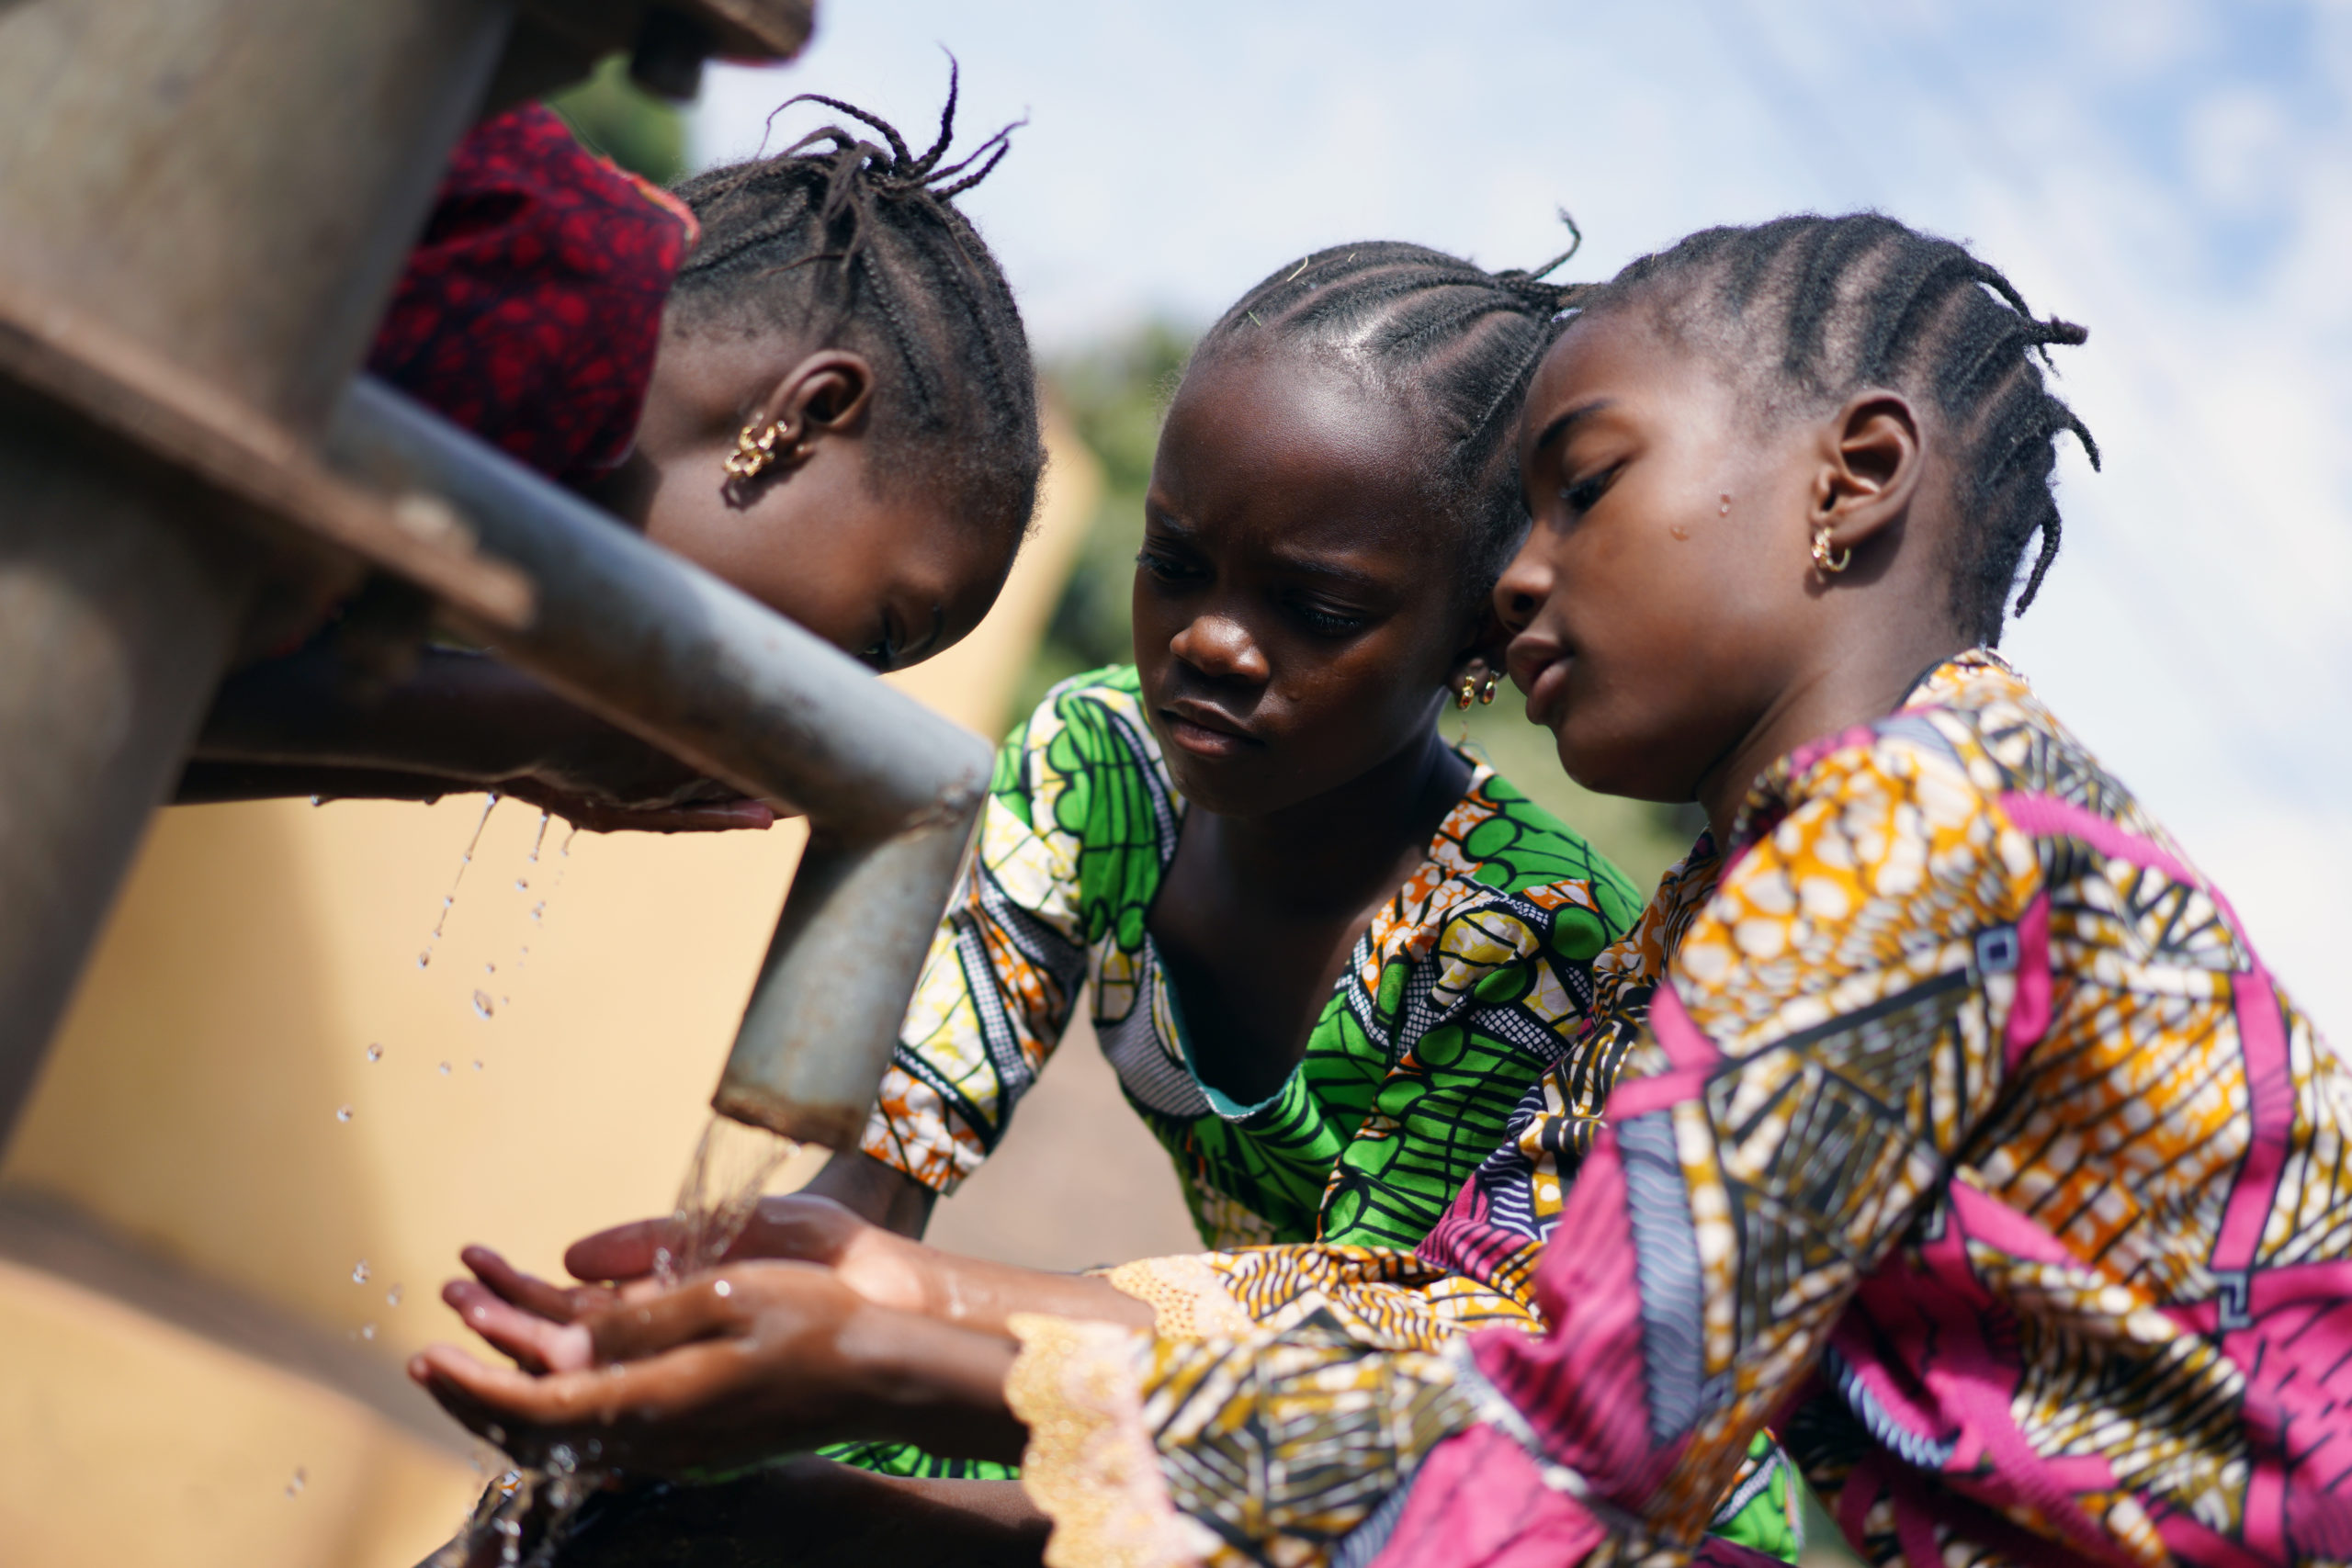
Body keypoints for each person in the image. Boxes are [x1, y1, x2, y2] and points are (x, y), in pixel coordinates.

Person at [414, 212, 2350, 1568]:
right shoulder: (1753, 897)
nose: (1521, 575)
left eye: (1580, 487)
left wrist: (926, 1364)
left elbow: (1575, 1459)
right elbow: (1454, 1310)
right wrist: (896, 1287)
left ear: (1849, 479)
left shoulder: (1912, 831)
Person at [429, 240, 1803, 1562]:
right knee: (611, 1486)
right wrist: (708, 1349)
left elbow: (1345, 1435)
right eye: (1177, 563)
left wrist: (799, 1506)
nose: (1212, 637)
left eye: (1314, 606)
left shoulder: (1519, 940)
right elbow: (872, 1192)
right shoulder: (1102, 769)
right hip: (1220, 1401)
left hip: (1494, 1495)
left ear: (1479, 638)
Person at [181, 79, 1044, 829]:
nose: (829, 699)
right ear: (803, 418)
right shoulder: (549, 273)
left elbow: (138, 730)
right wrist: (519, 732)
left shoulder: (505, 471)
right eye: (879, 638)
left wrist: (514, 755)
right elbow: (128, 634)